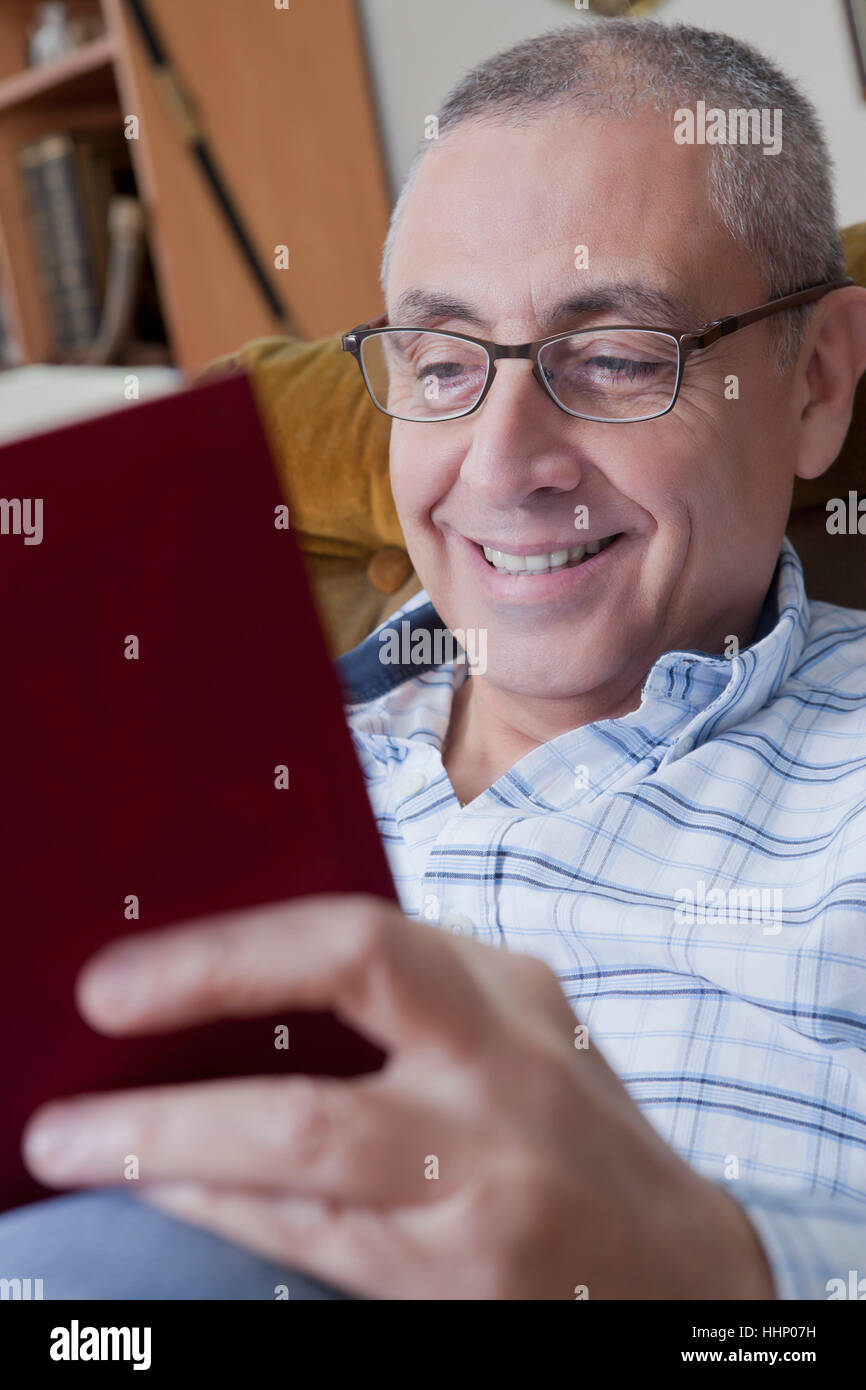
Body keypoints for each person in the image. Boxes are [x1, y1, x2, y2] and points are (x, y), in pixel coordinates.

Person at [6, 18, 866, 1300]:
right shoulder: (185, 762)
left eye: (617, 359)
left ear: (814, 382)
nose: (503, 464)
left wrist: (707, 1271)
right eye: (443, 362)